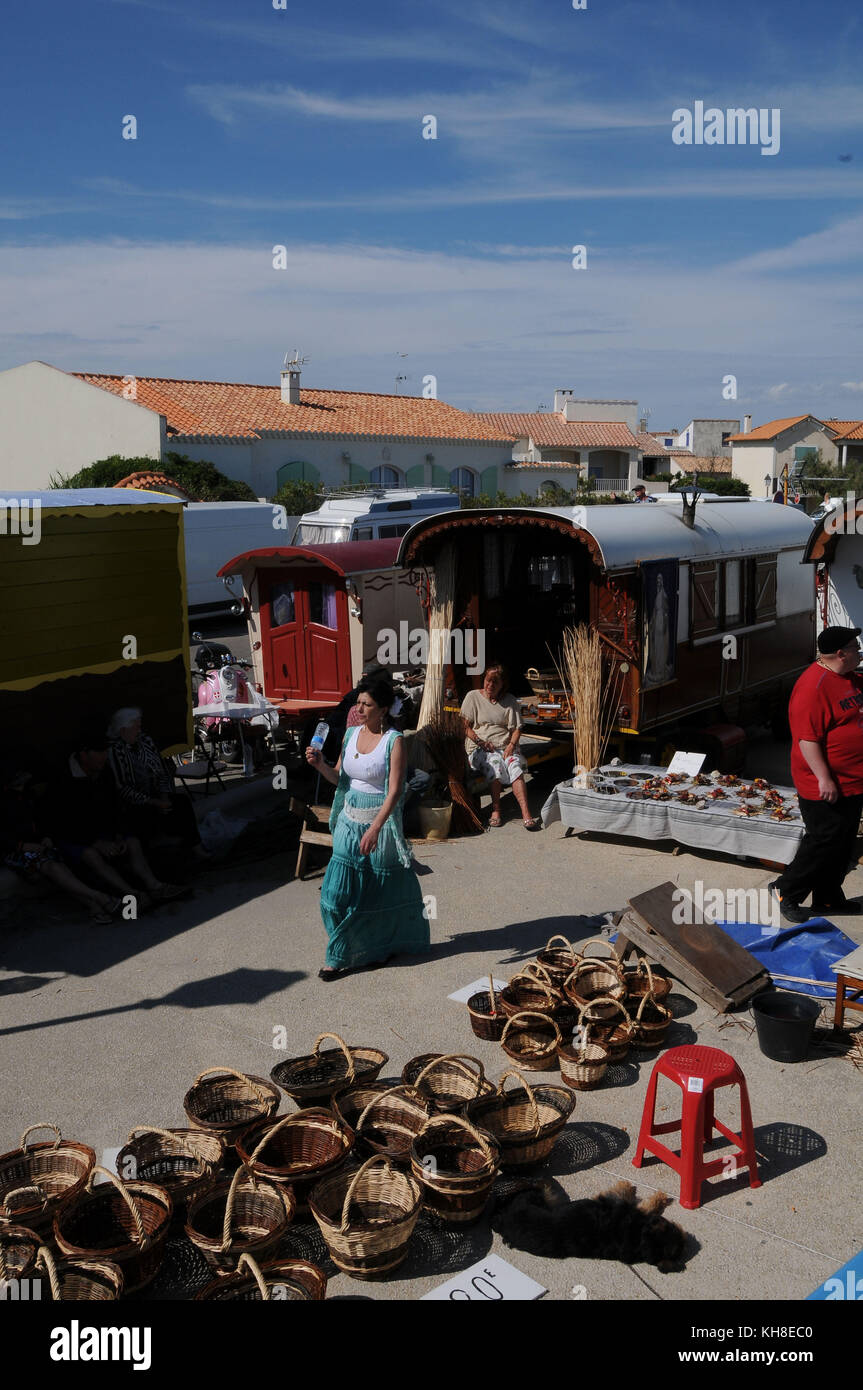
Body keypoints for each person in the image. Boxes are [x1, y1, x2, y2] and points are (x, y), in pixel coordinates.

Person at [305, 676, 430, 981]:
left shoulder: (394, 741)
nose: (359, 708)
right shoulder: (349, 735)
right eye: (358, 702)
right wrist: (321, 765)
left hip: (381, 823)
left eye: (367, 704)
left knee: (379, 895)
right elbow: (341, 780)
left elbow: (395, 791)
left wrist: (375, 829)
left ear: (383, 709)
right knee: (333, 895)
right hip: (349, 820)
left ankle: (374, 949)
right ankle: (340, 952)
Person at [770, 626, 863, 922]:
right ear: (840, 654)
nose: (859, 651)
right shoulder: (814, 685)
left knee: (844, 841)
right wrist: (824, 778)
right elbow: (807, 739)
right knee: (824, 839)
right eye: (855, 647)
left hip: (853, 779)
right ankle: (786, 889)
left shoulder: (850, 678)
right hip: (824, 782)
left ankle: (827, 898)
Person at [48, 730, 188, 909]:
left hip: (102, 830)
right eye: (99, 752)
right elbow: (63, 822)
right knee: (91, 855)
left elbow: (113, 807)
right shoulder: (63, 780)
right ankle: (132, 894)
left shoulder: (104, 772)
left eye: (105, 752)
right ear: (84, 754)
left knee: (133, 842)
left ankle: (155, 886)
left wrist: (118, 835)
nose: (104, 756)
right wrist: (96, 842)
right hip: (75, 836)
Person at [0, 767, 122, 924]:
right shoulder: (4, 803)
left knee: (60, 868)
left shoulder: (28, 796)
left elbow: (41, 821)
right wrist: (22, 846)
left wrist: (45, 837)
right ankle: (100, 898)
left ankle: (95, 906)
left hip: (39, 845)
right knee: (52, 867)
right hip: (15, 851)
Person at [107, 708, 208, 859]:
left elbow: (161, 772)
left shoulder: (145, 741)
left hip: (156, 795)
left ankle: (196, 848)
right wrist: (153, 802)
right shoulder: (115, 750)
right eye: (136, 727)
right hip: (135, 802)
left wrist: (164, 797)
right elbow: (122, 788)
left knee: (181, 803)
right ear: (123, 730)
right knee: (141, 814)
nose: (139, 731)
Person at [461, 664, 540, 830]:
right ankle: (496, 809)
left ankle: (526, 813)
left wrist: (511, 745)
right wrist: (480, 741)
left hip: (505, 745)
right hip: (480, 747)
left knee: (515, 766)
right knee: (495, 764)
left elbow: (517, 728)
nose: (490, 685)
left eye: (495, 683)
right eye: (488, 681)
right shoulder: (473, 697)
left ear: (502, 684)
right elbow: (465, 726)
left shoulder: (510, 701)